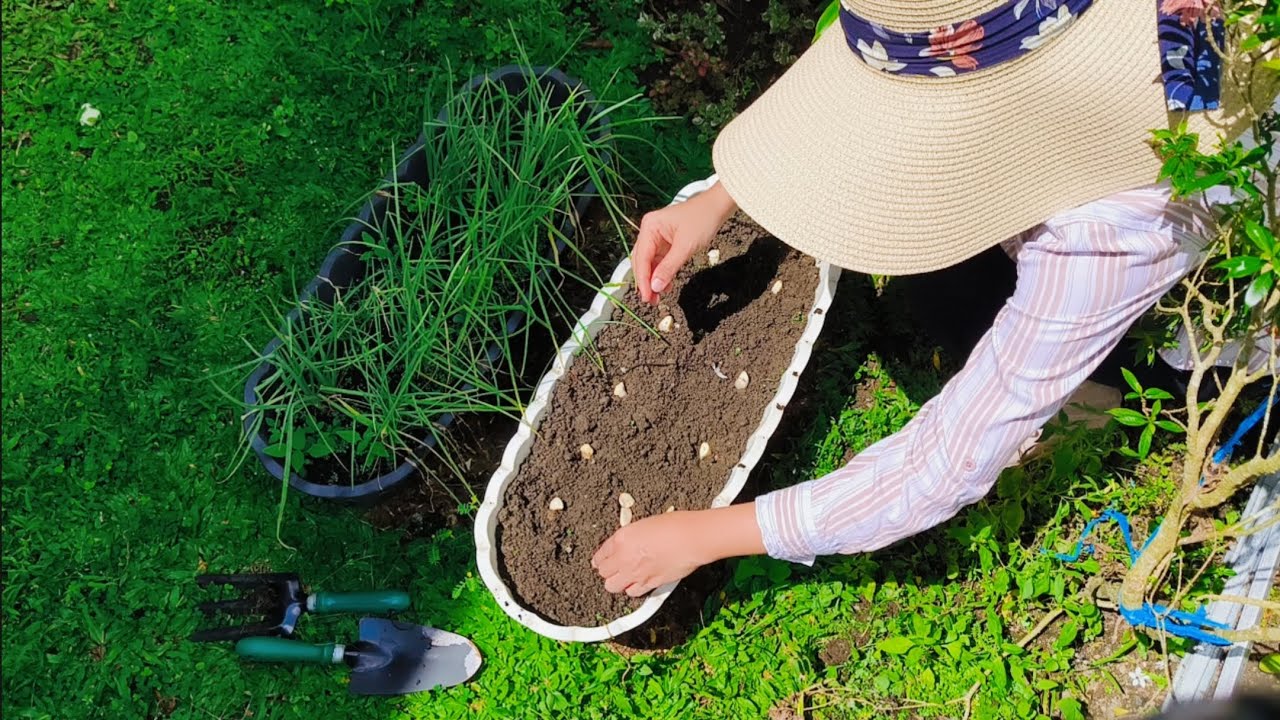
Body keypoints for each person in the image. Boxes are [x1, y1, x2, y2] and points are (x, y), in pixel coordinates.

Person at [590, 0, 1278, 598]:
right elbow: (898, 48)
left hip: (1196, 317)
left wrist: (706, 535)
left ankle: (1106, 402)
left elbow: (941, 465)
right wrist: (721, 196)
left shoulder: (1114, 229)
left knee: (958, 313)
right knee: (931, 278)